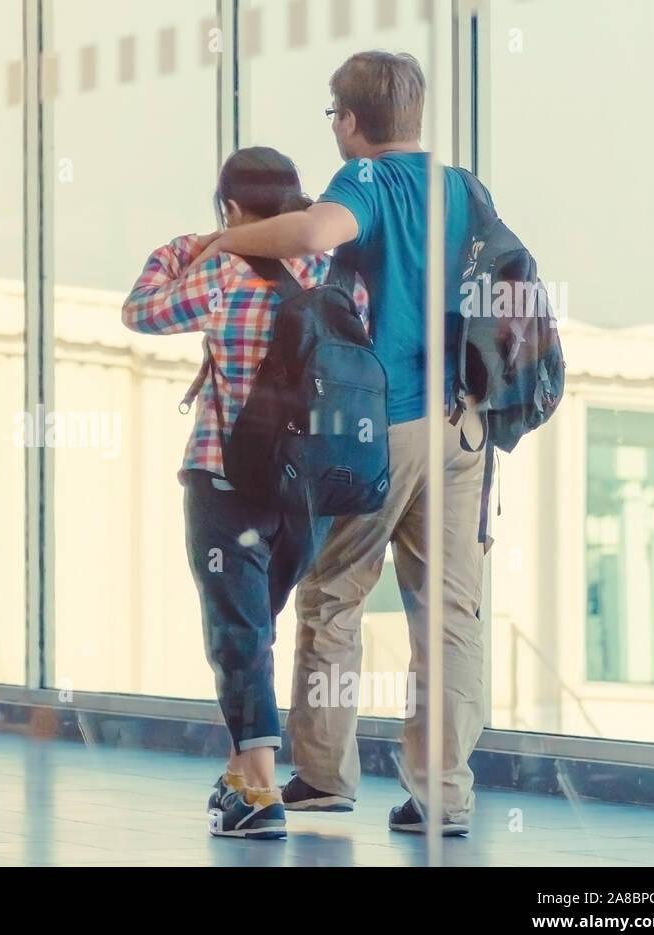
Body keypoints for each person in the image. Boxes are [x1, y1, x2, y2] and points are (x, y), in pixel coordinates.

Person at [194, 52, 495, 836]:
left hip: (382, 423)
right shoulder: (462, 187)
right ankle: (443, 796)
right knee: (450, 613)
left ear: (352, 120)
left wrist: (228, 241)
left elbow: (319, 231)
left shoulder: (365, 182)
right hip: (463, 426)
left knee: (335, 597)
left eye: (335, 115)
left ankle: (324, 774)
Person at [123, 147, 369, 838]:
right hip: (311, 489)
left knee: (237, 632)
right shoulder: (336, 274)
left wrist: (187, 247)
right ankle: (240, 773)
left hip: (227, 477)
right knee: (256, 627)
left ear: (231, 209)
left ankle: (260, 794)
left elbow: (140, 312)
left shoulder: (224, 271)